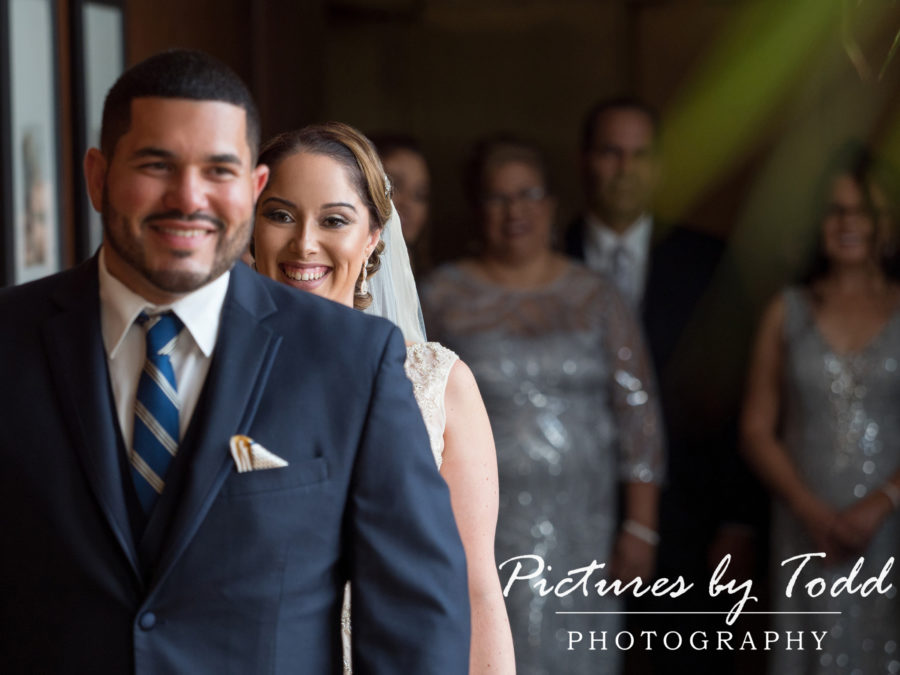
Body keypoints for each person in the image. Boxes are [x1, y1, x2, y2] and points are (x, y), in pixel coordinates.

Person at [0, 50, 470, 673]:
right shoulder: (9, 339)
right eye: (156, 165)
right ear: (98, 177)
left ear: (251, 188)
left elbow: (416, 628)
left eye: (218, 170)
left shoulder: (352, 360)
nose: (187, 198)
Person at [251, 122, 516, 675]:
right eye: (280, 215)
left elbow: (476, 587)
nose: (304, 243)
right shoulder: (209, 373)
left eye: (334, 220)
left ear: (373, 236)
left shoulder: (437, 382)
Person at [422, 135, 664, 675]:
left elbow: (639, 414)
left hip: (585, 523)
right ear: (478, 208)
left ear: (552, 204)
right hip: (482, 522)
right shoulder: (439, 296)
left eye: (528, 194)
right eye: (497, 197)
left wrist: (641, 526)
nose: (515, 211)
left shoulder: (598, 295)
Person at [742, 143, 900, 675]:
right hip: (804, 522)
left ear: (887, 222)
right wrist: (812, 512)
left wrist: (880, 505)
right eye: (835, 210)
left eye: (863, 211)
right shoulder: (786, 310)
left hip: (889, 525)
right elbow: (756, 429)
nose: (848, 223)